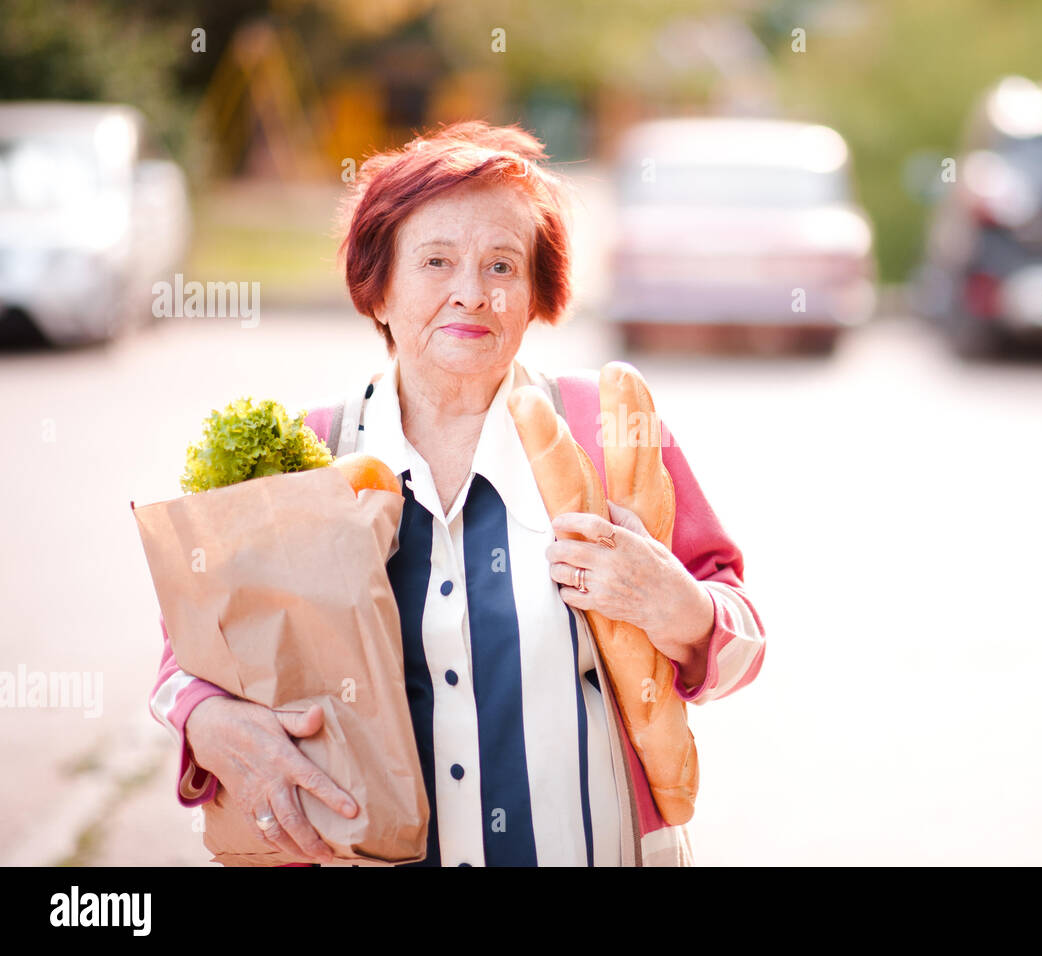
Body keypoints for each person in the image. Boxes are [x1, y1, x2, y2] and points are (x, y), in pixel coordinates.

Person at [149, 120, 766, 867]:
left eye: (503, 267)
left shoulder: (609, 431)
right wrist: (208, 721)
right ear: (376, 291)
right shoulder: (305, 453)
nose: (471, 294)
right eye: (436, 261)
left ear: (538, 294)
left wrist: (683, 610)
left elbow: (743, 638)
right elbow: (187, 653)